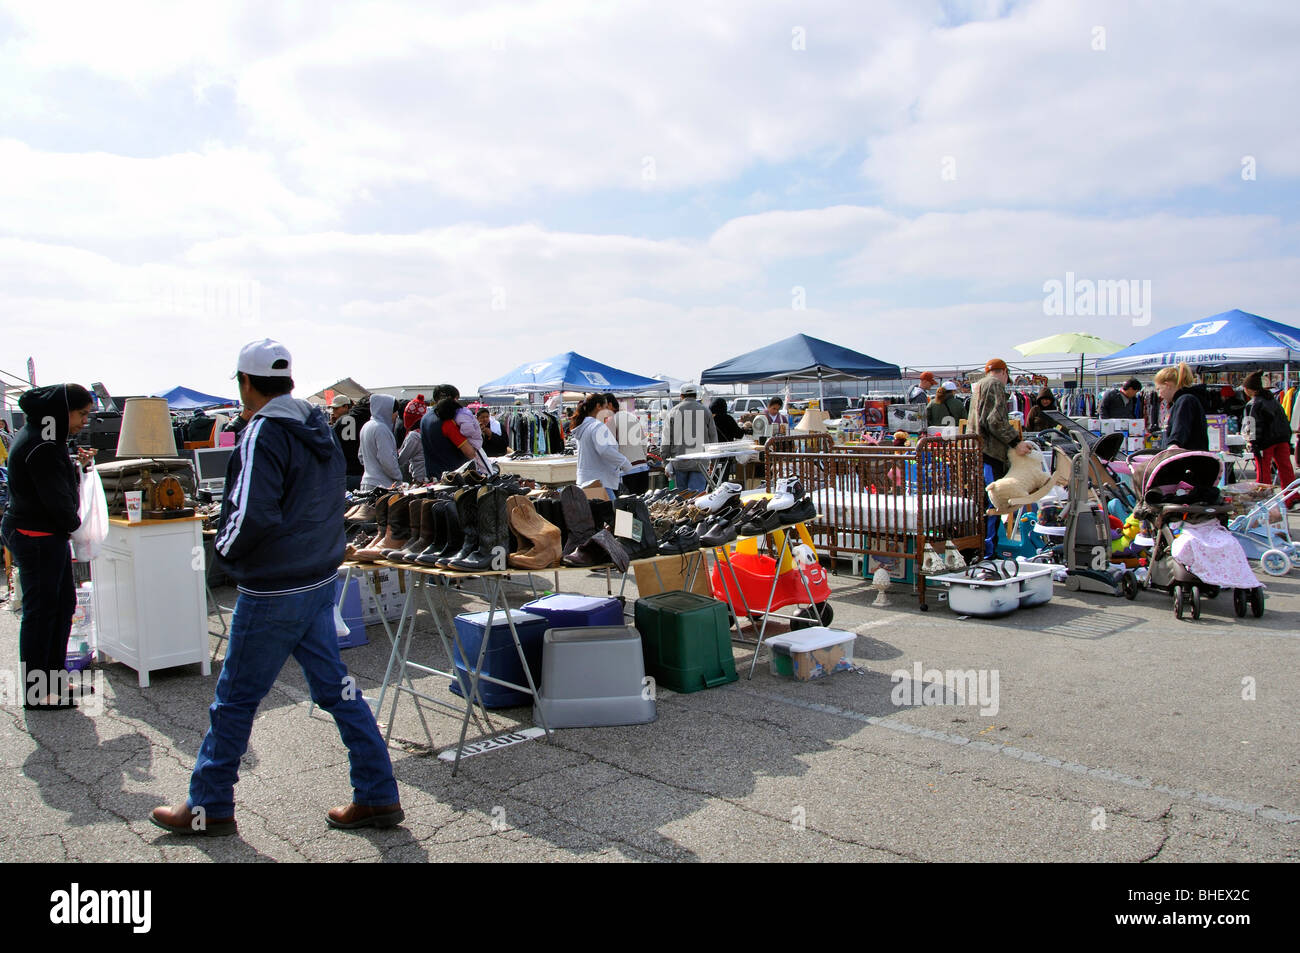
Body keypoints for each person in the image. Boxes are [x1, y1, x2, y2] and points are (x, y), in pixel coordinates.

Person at [152, 339, 401, 835]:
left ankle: (208, 805)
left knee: (235, 699)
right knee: (337, 688)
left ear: (246, 382)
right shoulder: (317, 425)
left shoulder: (263, 432)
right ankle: (377, 793)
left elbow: (250, 513)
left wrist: (223, 551)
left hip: (274, 586)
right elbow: (332, 498)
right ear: (288, 381)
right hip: (315, 576)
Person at [0, 383, 96, 708]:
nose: (85, 421)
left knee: (62, 607)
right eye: (82, 414)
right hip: (36, 537)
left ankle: (53, 680)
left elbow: (56, 487)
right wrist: (82, 531)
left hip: (42, 536)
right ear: (62, 411)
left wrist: (75, 469)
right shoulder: (43, 444)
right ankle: (37, 691)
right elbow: (56, 501)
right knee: (42, 614)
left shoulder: (44, 434)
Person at [970, 359, 1034, 558]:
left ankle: (978, 548)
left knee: (981, 501)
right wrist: (1016, 442)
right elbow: (994, 420)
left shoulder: (979, 385)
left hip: (977, 450)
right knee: (993, 501)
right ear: (1004, 372)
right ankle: (988, 551)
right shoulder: (996, 385)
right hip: (991, 452)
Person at [1242, 370, 1296, 504]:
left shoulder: (1253, 403)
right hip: (1281, 438)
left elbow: (1251, 427)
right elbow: (1284, 420)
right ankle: (1292, 498)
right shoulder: (1272, 400)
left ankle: (1265, 501)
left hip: (1265, 442)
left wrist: (1252, 443)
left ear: (1248, 389)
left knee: (1263, 472)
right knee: (1286, 469)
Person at [572, 394, 632, 500]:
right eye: (605, 408)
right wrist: (624, 462)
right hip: (600, 483)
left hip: (586, 481)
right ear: (598, 406)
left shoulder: (585, 427)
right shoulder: (597, 426)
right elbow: (604, 450)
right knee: (611, 514)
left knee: (597, 515)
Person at [662, 384, 717, 492]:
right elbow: (713, 437)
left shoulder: (673, 412)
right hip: (700, 463)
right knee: (696, 499)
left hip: (679, 462)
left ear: (681, 396)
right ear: (696, 395)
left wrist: (665, 462)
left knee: (680, 499)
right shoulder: (705, 411)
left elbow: (666, 440)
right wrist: (713, 461)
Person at [1154, 363, 1208, 451]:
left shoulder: (1185, 400)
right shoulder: (1181, 401)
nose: (1159, 394)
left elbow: (1181, 427)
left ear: (1168, 385)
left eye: (1159, 389)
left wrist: (1174, 444)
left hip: (1189, 459)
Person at [359, 394, 402, 490]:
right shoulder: (381, 429)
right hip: (382, 485)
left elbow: (361, 456)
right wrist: (398, 477)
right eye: (394, 412)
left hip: (367, 482)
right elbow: (387, 460)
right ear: (387, 410)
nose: (396, 415)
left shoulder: (366, 426)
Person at [607, 396, 650, 493]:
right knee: (642, 501)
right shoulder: (632, 417)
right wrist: (644, 458)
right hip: (642, 465)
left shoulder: (612, 420)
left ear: (609, 405)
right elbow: (644, 441)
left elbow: (610, 448)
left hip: (627, 469)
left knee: (629, 504)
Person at [329, 395, 364, 490]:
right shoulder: (360, 418)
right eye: (333, 408)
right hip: (360, 471)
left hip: (347, 472)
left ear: (346, 406)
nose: (334, 411)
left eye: (336, 408)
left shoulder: (342, 421)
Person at [398, 395, 428, 483]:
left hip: (420, 478)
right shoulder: (425, 431)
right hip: (429, 475)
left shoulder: (414, 436)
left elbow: (401, 459)